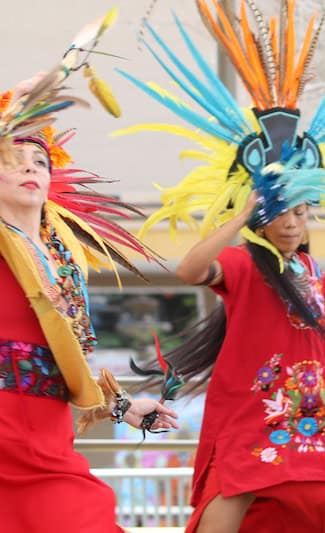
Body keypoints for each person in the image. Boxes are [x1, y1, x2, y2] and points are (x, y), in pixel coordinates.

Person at [123, 2, 325, 531]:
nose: (292, 222)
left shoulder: (311, 270)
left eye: (301, 212)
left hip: (312, 407)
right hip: (254, 405)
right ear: (262, 218)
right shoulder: (243, 263)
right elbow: (189, 270)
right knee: (238, 487)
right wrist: (239, 216)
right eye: (280, 213)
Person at [0, 78, 177, 532]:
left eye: (40, 161)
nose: (30, 167)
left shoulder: (62, 259)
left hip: (46, 433)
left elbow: (67, 362)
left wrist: (121, 406)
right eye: (13, 160)